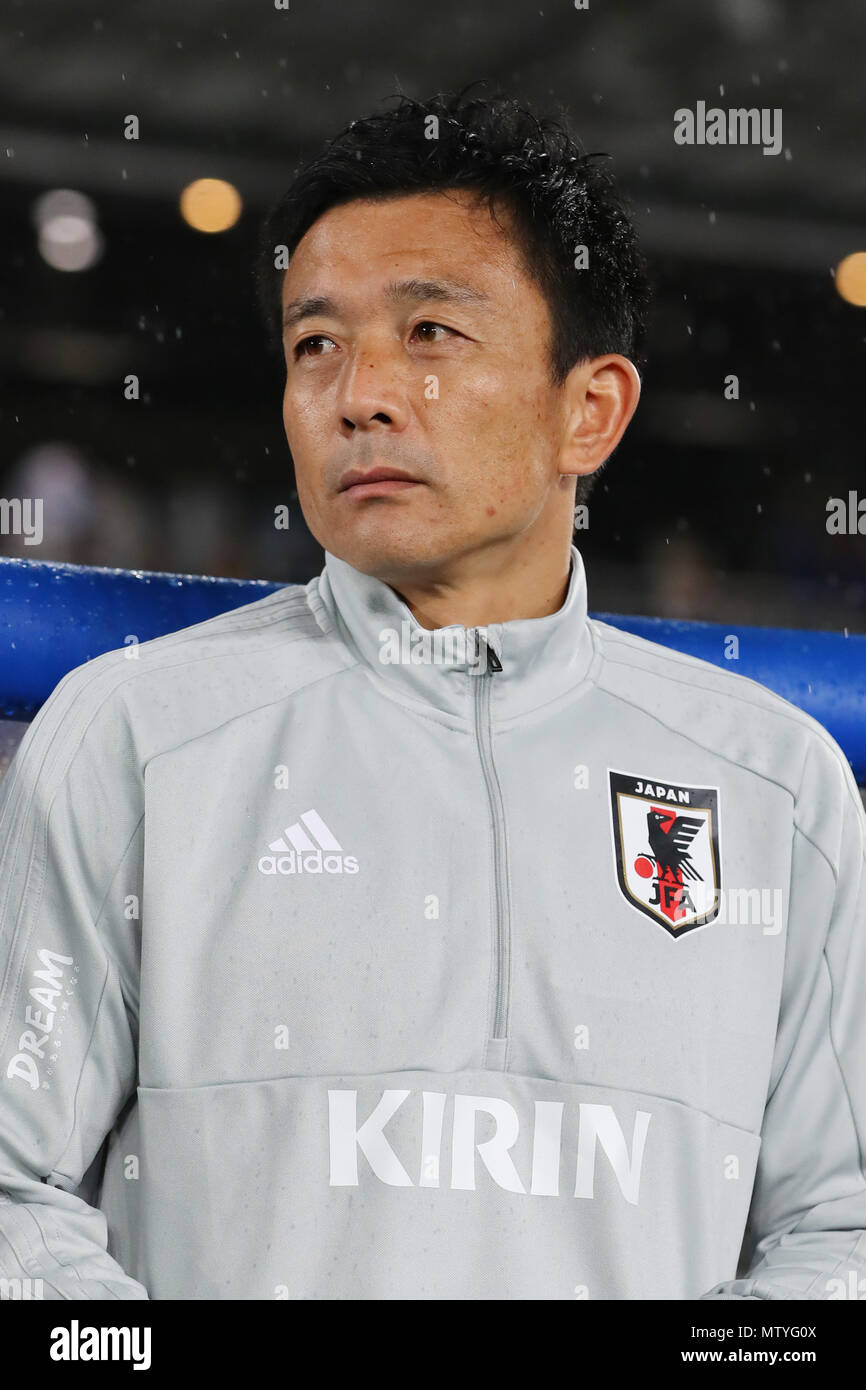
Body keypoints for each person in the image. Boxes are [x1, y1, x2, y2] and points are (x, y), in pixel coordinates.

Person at [1, 87, 864, 1301]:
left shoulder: (775, 788)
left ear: (589, 409)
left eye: (429, 335)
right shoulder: (131, 738)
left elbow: (842, 1229)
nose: (359, 392)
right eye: (316, 344)